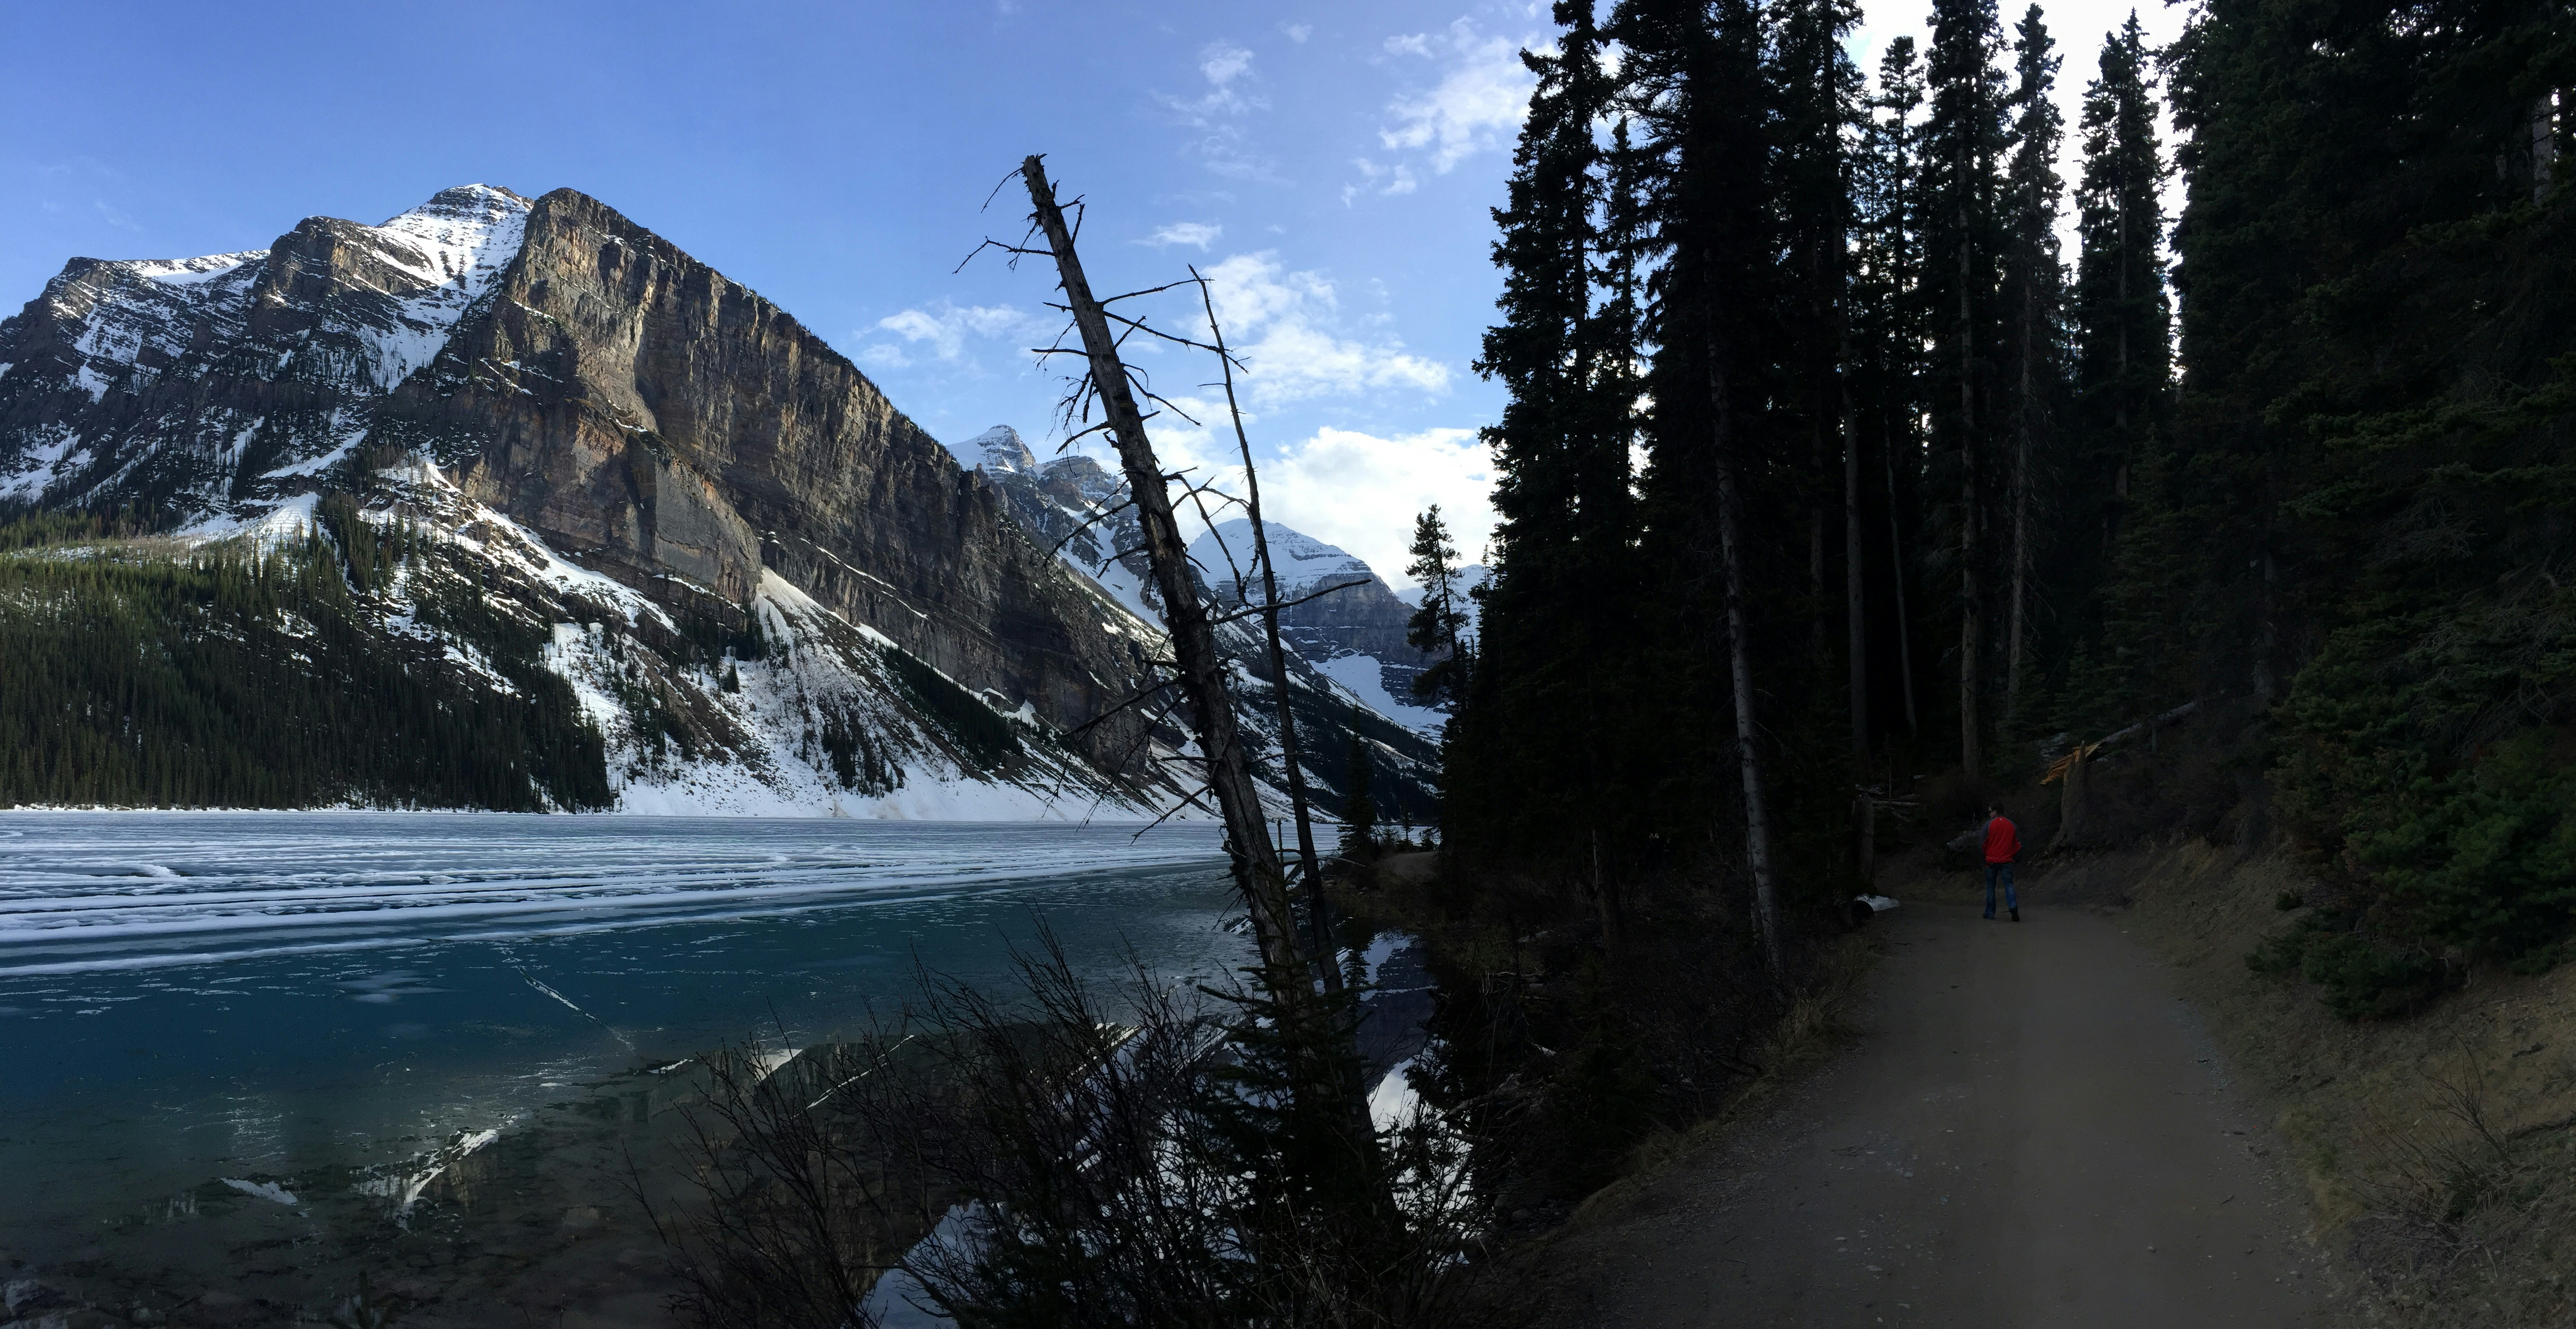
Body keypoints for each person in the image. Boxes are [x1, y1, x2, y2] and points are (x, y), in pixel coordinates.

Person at [1982, 805, 2020, 922]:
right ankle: (2013, 907)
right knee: (2009, 884)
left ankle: (1990, 913)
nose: (1989, 814)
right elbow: (2019, 844)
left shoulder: (1989, 825)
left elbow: (1982, 843)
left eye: (1990, 812)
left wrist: (1986, 855)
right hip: (2007, 860)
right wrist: (2011, 854)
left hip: (1992, 860)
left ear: (1995, 811)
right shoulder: (2012, 825)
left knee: (1990, 886)